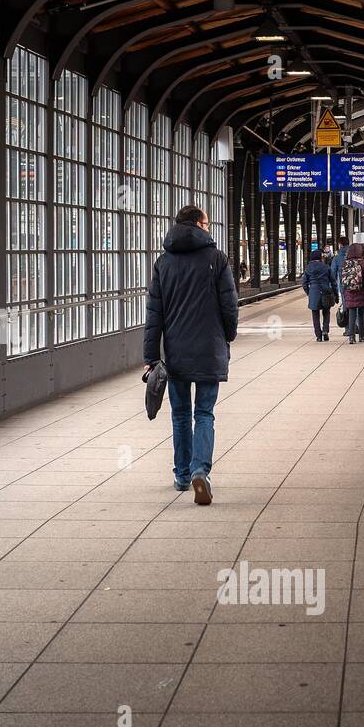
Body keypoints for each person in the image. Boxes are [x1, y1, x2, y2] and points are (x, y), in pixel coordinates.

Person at [143, 204, 238, 505]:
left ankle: (182, 475)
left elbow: (154, 314)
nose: (209, 228)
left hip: (176, 352)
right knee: (205, 413)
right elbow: (230, 305)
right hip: (209, 349)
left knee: (181, 414)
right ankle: (200, 470)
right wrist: (228, 334)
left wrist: (150, 355)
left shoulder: (163, 263)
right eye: (207, 223)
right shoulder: (217, 259)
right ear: (198, 223)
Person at [339, 240, 364, 343]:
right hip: (362, 291)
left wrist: (343, 292)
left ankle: (351, 337)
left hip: (349, 292)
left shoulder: (345, 263)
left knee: (351, 314)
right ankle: (361, 335)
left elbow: (342, 279)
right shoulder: (363, 263)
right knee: (361, 315)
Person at [303, 249, 336, 341]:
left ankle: (318, 335)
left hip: (314, 291)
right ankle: (325, 330)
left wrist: (309, 292)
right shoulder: (326, 267)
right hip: (326, 291)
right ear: (319, 257)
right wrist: (335, 294)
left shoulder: (308, 268)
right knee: (326, 312)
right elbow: (333, 282)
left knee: (315, 313)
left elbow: (304, 283)